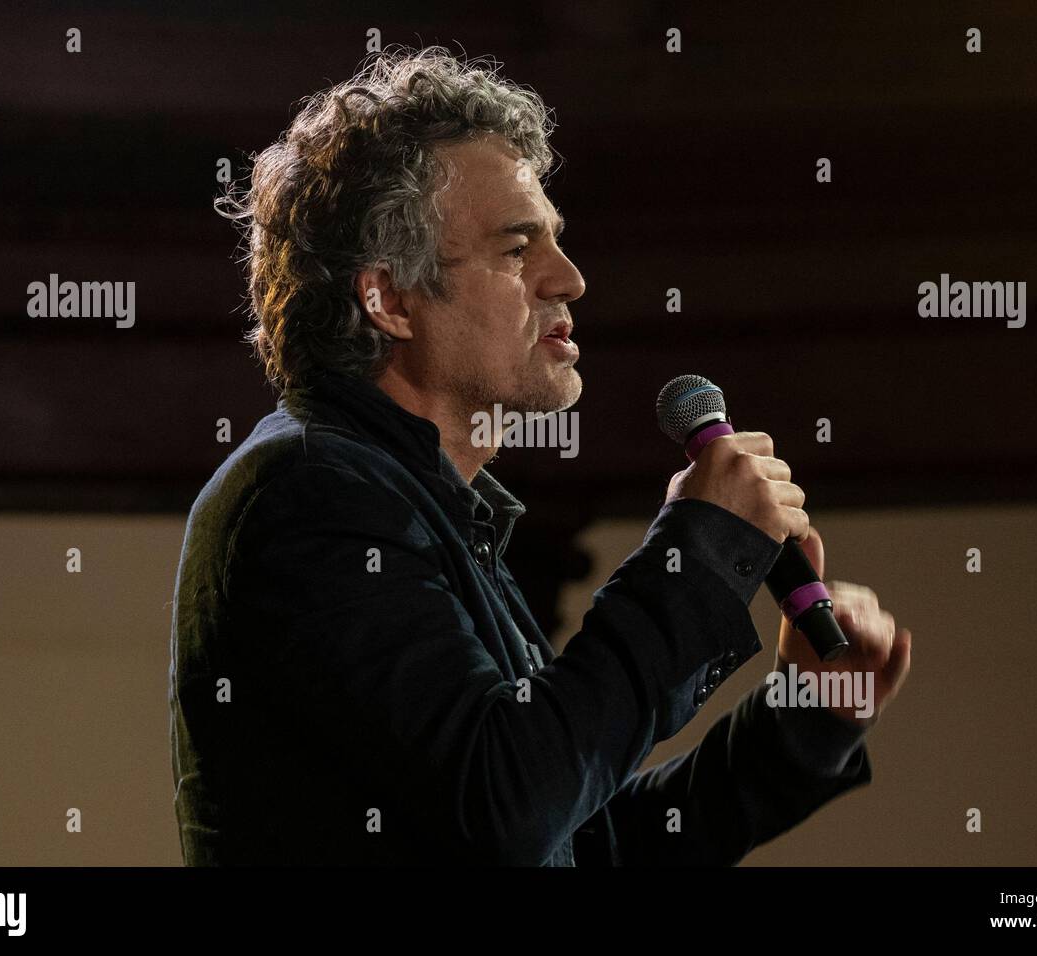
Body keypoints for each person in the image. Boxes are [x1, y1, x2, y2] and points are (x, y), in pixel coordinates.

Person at [168, 46, 912, 865]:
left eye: (554, 240)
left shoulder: (425, 505)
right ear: (389, 299)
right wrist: (697, 554)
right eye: (517, 248)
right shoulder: (309, 493)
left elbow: (579, 846)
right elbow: (504, 804)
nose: (571, 279)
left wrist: (805, 721)